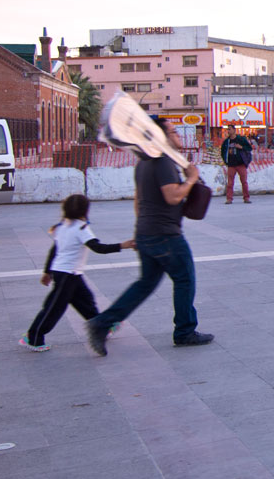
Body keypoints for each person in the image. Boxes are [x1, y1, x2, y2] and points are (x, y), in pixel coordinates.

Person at [87, 118, 214, 354]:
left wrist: (141, 231)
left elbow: (138, 200)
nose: (178, 136)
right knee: (185, 279)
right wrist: (192, 178)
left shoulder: (144, 162)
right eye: (174, 132)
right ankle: (185, 331)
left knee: (145, 284)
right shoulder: (162, 161)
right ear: (161, 137)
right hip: (166, 235)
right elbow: (173, 196)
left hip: (148, 232)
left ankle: (101, 323)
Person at [23, 194, 131, 351]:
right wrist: (123, 245)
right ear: (86, 210)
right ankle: (33, 337)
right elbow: (98, 248)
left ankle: (102, 327)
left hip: (69, 274)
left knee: (86, 301)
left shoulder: (62, 226)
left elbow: (55, 251)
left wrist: (48, 272)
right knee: (54, 308)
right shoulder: (82, 228)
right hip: (67, 275)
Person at [220, 129, 254, 204]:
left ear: (234, 130)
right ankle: (229, 198)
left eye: (230, 129)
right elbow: (222, 151)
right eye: (227, 129)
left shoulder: (241, 139)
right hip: (231, 164)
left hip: (241, 164)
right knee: (230, 183)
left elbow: (249, 148)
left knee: (244, 182)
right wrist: (226, 161)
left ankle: (246, 197)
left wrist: (241, 147)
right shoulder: (227, 141)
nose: (228, 131)